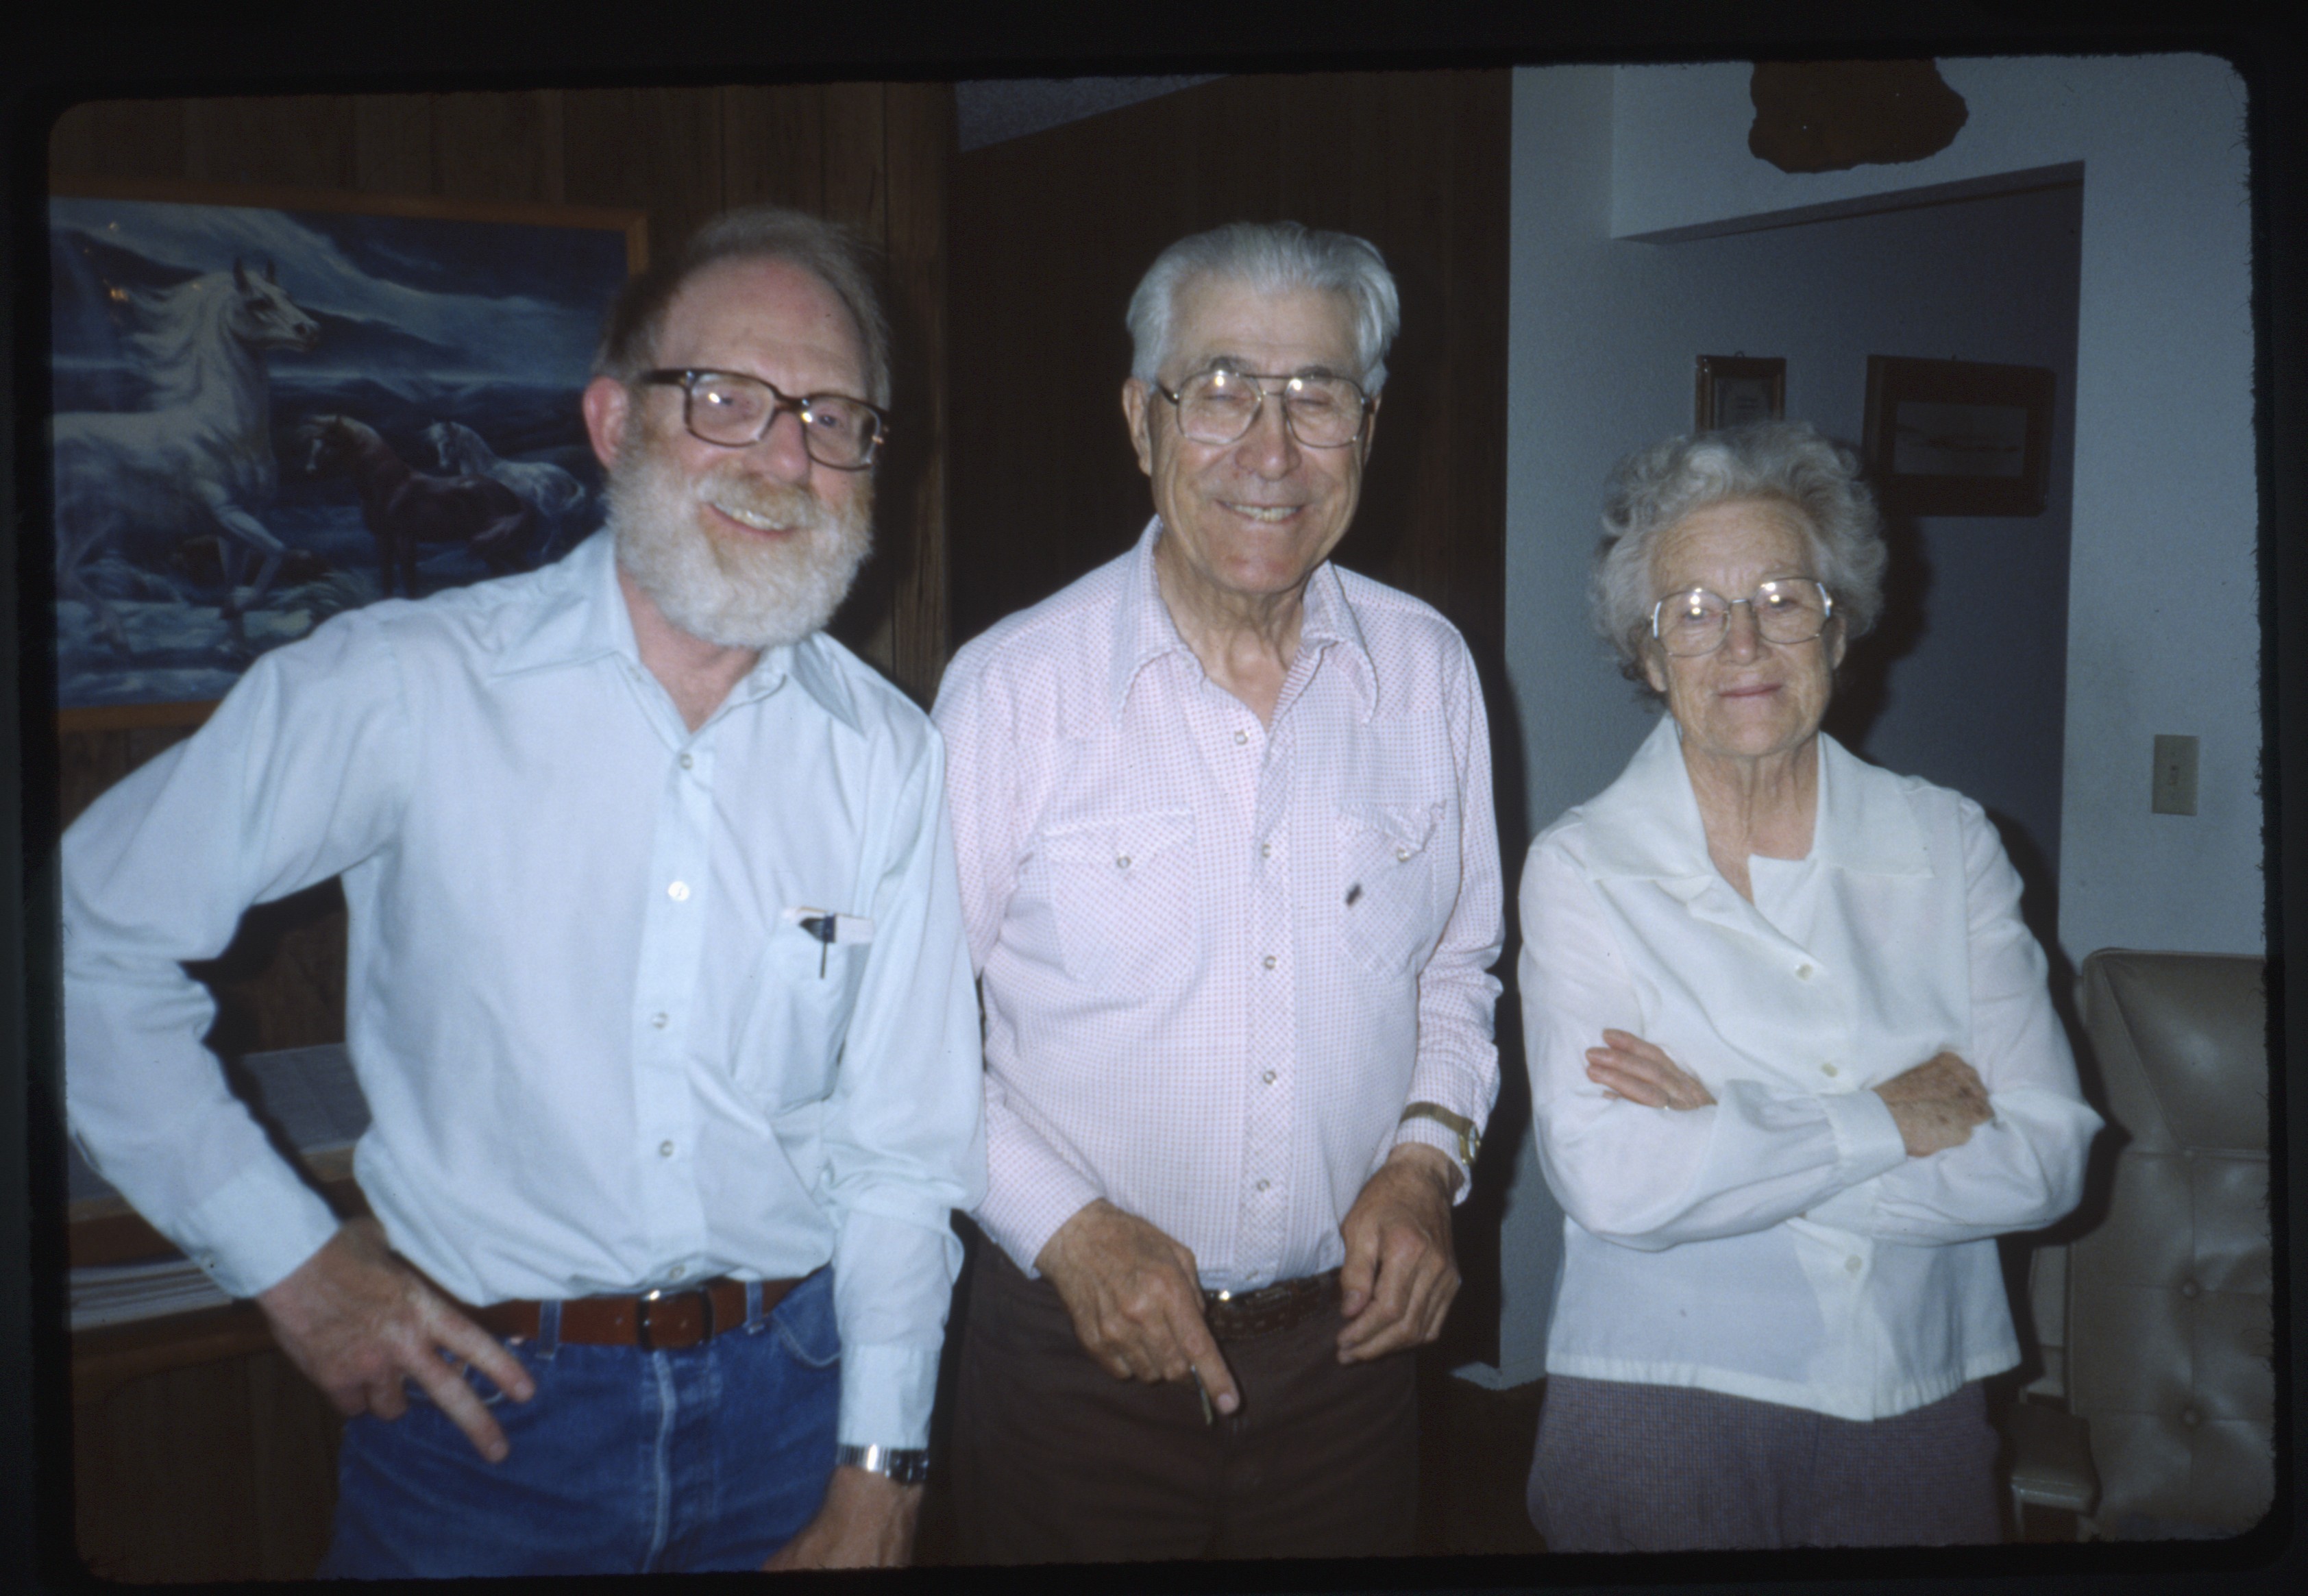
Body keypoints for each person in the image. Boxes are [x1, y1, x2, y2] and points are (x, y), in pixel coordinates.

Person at [62, 206, 986, 1577]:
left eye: (833, 417)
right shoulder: (400, 686)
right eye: (724, 397)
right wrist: (293, 1264)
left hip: (799, 1408)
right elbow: (84, 942)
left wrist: (884, 1464)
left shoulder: (892, 758)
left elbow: (905, 1153)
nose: (784, 456)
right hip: (483, 1431)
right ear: (613, 422)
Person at [932, 220, 1503, 1562]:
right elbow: (899, 1033)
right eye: (1223, 390)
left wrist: (1426, 1163)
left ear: (1370, 422)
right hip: (1076, 1361)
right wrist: (1063, 1232)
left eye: (1316, 395)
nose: (1270, 449)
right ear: (1142, 420)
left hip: (1350, 1363)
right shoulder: (1009, 692)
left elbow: (1455, 968)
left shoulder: (1431, 672)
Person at [1517, 421, 2103, 1551]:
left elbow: (2047, 1155)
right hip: (1659, 1392)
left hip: (1916, 1395)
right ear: (1648, 657)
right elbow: (1614, 1181)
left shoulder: (1953, 840)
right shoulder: (1582, 866)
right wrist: (1889, 1116)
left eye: (1783, 597)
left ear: (1838, 624)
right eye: (1693, 612)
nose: (1743, 641)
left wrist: (1728, 1125)